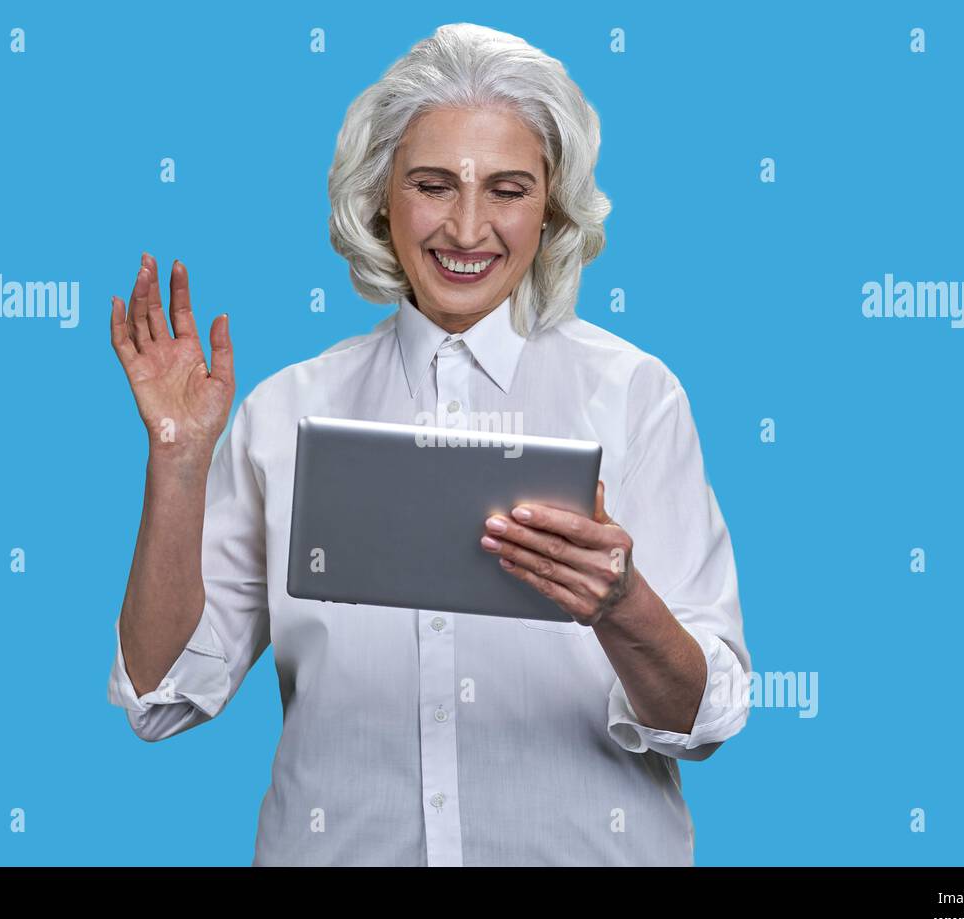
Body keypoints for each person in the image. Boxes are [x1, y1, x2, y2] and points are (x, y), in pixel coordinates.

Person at [107, 22, 752, 866]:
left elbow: (706, 720)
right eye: (434, 184)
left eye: (509, 189)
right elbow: (163, 696)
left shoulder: (634, 396)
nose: (468, 226)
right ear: (380, 195)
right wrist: (178, 460)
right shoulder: (286, 411)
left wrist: (618, 603)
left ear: (552, 207)